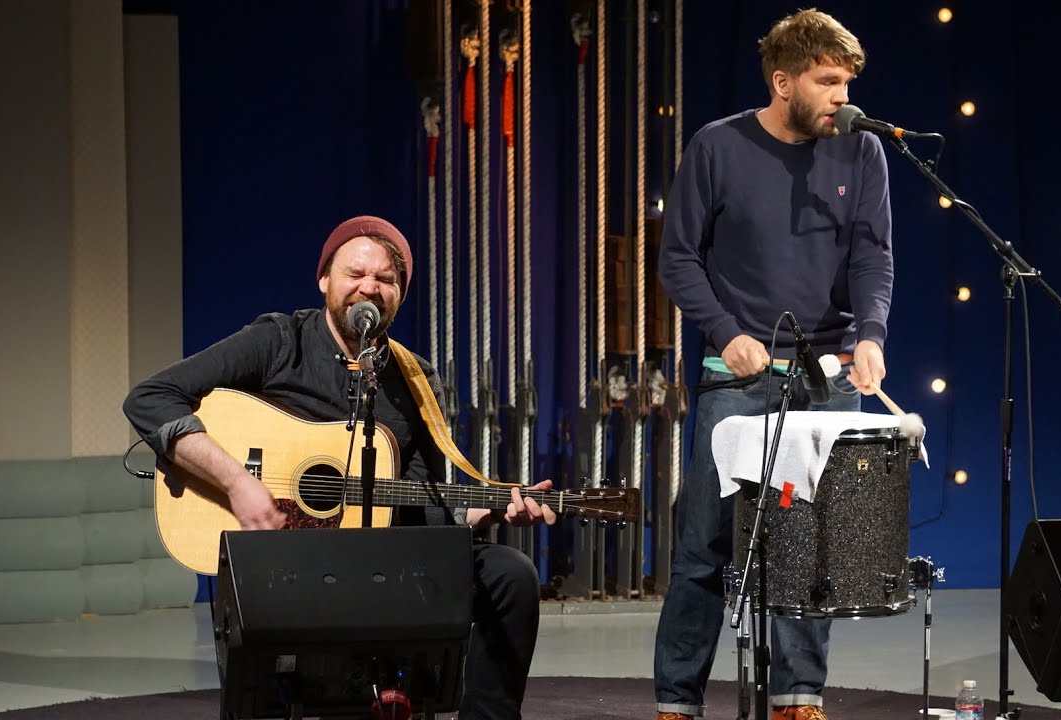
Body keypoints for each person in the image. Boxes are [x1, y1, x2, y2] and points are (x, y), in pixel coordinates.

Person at [123, 215, 556, 720]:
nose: (368, 288)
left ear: (398, 295)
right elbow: (151, 398)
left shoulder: (417, 380)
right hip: (284, 558)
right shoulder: (277, 342)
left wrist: (486, 514)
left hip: (378, 561)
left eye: (385, 280)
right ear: (325, 280)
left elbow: (422, 499)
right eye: (355, 273)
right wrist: (237, 482)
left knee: (511, 576)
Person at [653, 9, 893, 720]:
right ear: (783, 80)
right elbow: (677, 259)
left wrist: (871, 335)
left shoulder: (863, 153)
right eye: (827, 81)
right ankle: (676, 703)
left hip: (828, 379)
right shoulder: (717, 147)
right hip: (738, 377)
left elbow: (873, 256)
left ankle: (798, 698)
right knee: (706, 546)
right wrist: (726, 333)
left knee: (809, 547)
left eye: (847, 81)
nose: (842, 96)